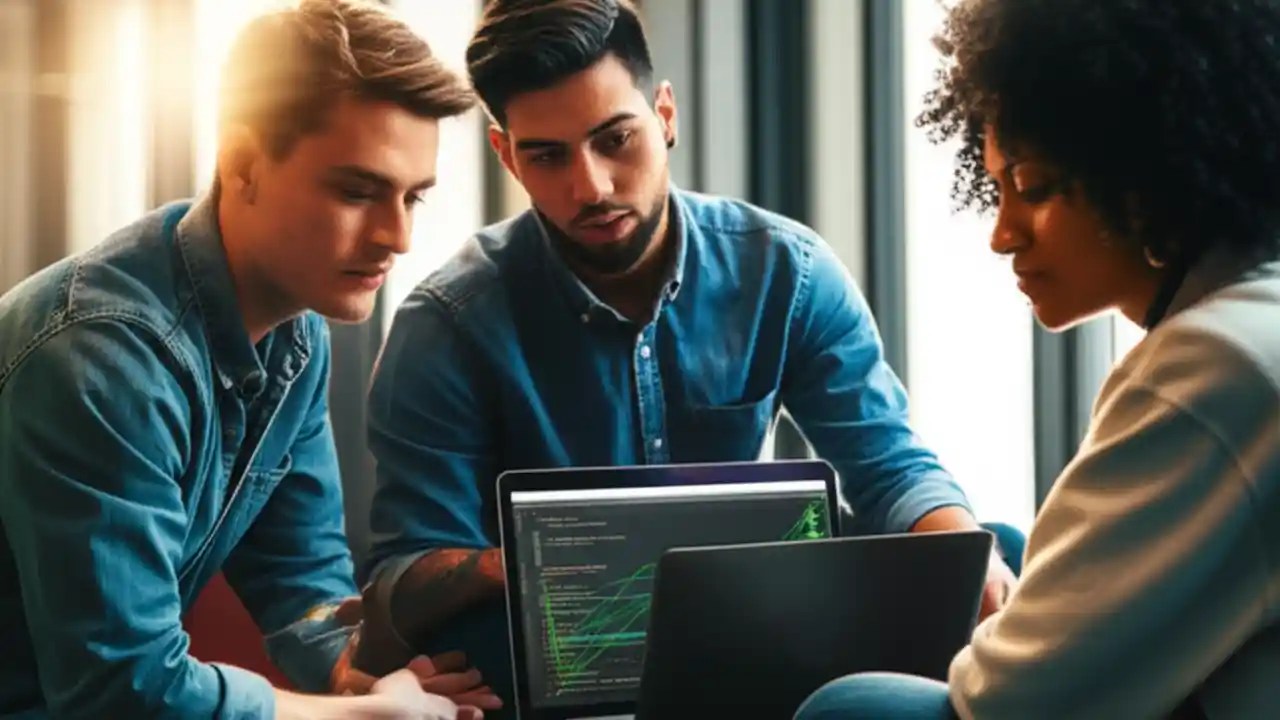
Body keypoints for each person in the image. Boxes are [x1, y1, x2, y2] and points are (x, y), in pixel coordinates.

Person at [352, 0, 1017, 709]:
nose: (592, 187)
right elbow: (407, 569)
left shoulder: (784, 272)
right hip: (561, 651)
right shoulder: (447, 322)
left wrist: (963, 556)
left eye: (616, 139)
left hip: (753, 629)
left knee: (986, 543)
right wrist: (537, 558)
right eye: (548, 155)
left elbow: (887, 465)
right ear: (507, 154)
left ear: (664, 116)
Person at [0, 1, 501, 717]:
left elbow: (303, 584)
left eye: (414, 197)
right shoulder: (100, 356)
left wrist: (361, 684)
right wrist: (360, 716)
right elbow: (124, 690)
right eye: (357, 192)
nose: (397, 236)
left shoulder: (297, 334)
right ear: (242, 165)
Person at [795, 0, 1280, 718]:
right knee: (1007, 548)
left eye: (1031, 187)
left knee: (855, 707)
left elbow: (1009, 701)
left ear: (1145, 175)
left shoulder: (1211, 369)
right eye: (994, 188)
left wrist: (983, 648)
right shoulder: (1254, 314)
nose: (1001, 235)